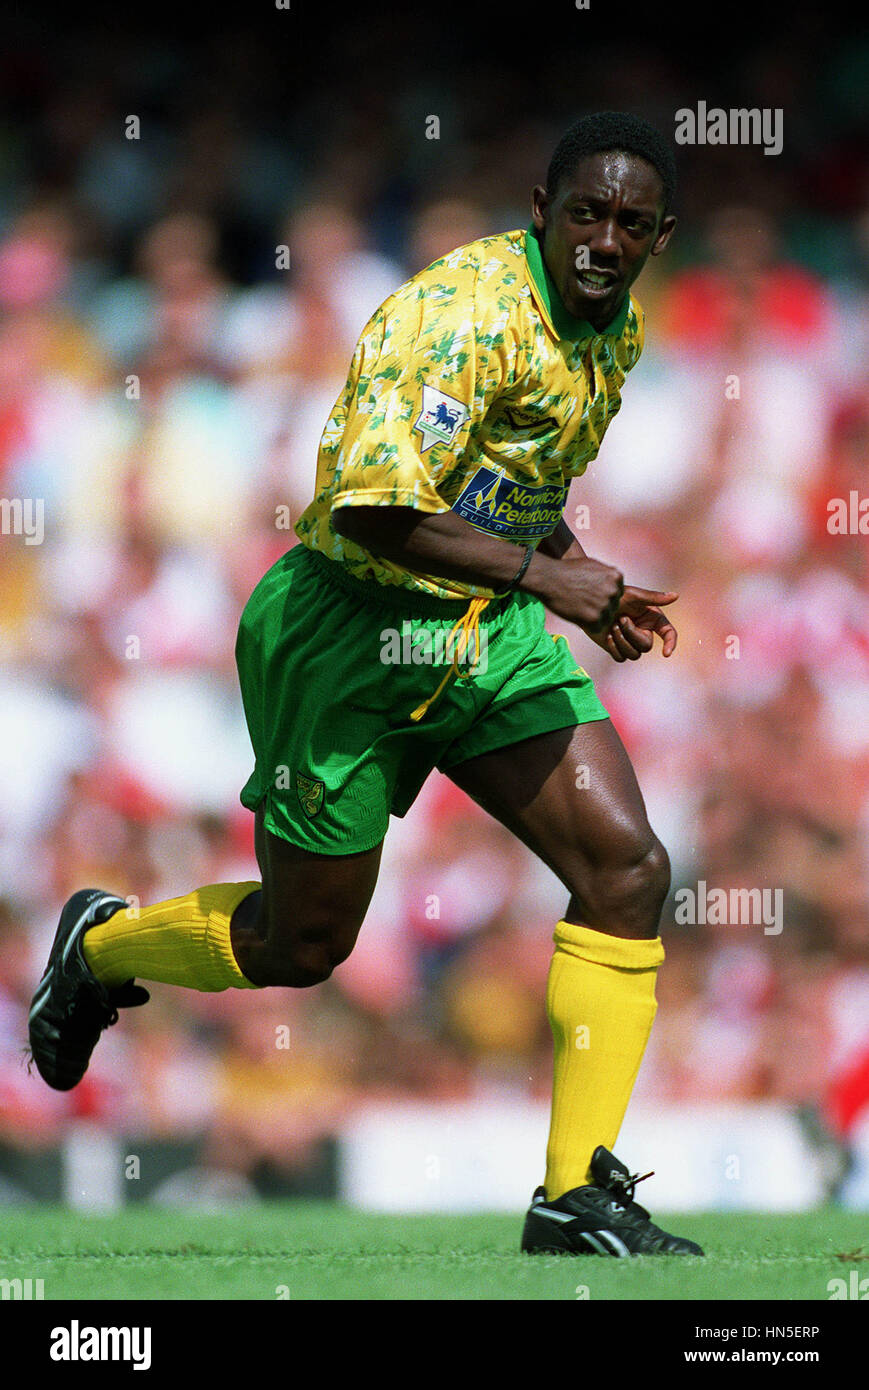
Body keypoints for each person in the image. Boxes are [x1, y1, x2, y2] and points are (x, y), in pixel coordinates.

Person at [29, 110, 703, 1257]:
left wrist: (573, 568)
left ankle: (570, 1196)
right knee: (302, 948)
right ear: (538, 214)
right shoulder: (453, 317)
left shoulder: (612, 333)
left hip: (483, 630)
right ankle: (99, 950)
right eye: (583, 213)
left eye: (629, 223)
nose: (602, 239)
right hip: (343, 632)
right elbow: (376, 513)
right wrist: (554, 581)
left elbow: (510, 487)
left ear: (656, 237)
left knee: (628, 868)